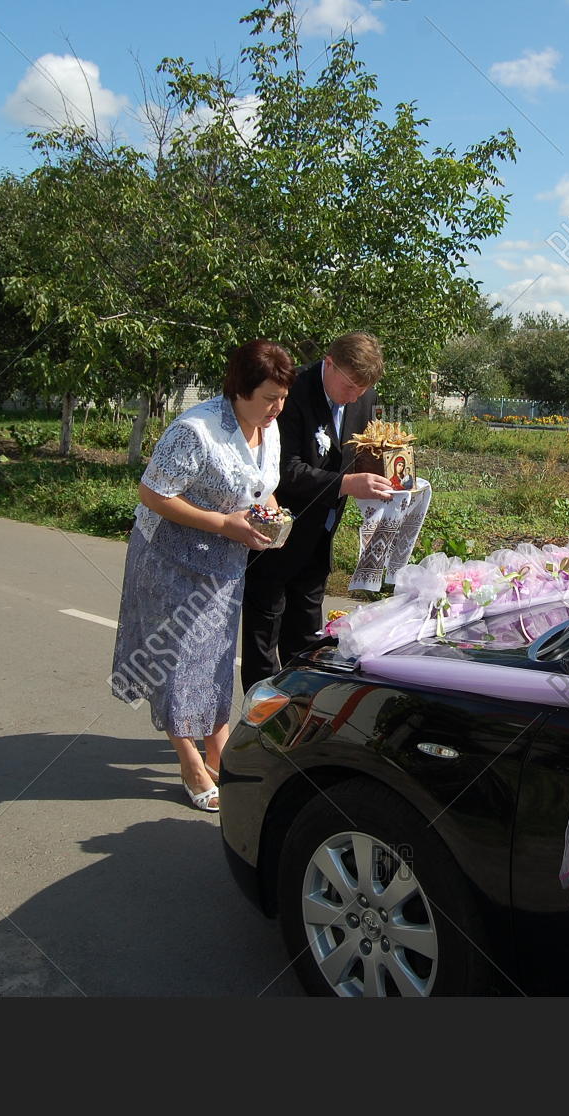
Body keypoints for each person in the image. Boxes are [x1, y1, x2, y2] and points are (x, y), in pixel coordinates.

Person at [110, 340, 295, 811]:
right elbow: (154, 493)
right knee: (177, 658)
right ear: (239, 390)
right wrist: (225, 524)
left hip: (223, 562)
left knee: (215, 655)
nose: (278, 407)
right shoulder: (196, 430)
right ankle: (190, 758)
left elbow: (261, 487)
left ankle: (218, 747)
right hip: (169, 559)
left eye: (283, 396)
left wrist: (271, 518)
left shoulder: (267, 428)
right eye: (269, 396)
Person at [241, 332, 393, 691]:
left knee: (307, 642)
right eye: (351, 385)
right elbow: (284, 470)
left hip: (320, 536)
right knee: (264, 643)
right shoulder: (290, 394)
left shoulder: (364, 396)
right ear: (328, 363)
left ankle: (296, 724)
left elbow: (362, 451)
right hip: (275, 537)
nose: (355, 396)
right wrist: (346, 485)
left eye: (363, 388)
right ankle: (257, 729)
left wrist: (389, 476)